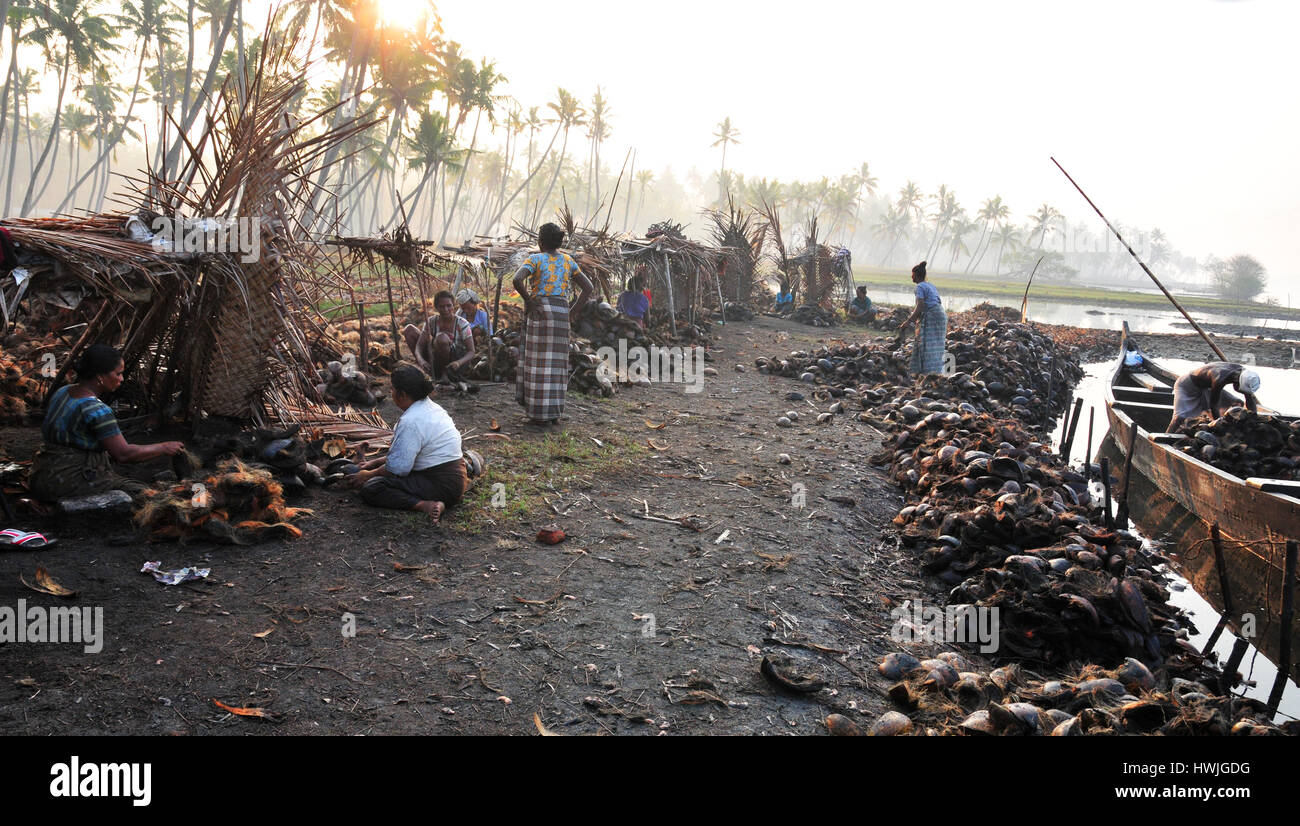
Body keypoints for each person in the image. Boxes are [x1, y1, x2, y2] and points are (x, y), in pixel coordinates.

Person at [29, 344, 184, 501]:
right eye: (118, 374)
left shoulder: (63, 392)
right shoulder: (96, 410)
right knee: (145, 495)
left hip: (41, 473)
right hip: (64, 482)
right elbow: (124, 454)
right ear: (100, 377)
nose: (122, 379)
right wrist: (164, 447)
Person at [344, 365, 466, 523]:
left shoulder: (411, 421)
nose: (391, 393)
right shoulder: (432, 408)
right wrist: (372, 463)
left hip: (441, 486)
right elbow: (406, 456)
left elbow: (397, 469)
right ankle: (435, 501)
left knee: (372, 488)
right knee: (379, 475)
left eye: (393, 389)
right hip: (456, 481)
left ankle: (425, 505)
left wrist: (368, 475)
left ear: (402, 394)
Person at [511, 222, 594, 425]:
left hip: (540, 311)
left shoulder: (535, 259)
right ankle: (553, 412)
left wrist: (529, 301)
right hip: (560, 314)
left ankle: (537, 413)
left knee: (537, 363)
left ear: (540, 242)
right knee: (556, 364)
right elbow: (588, 287)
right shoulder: (568, 261)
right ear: (558, 243)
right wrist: (571, 313)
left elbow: (517, 280)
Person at [403, 290, 475, 380]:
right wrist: (421, 360)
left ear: (453, 305)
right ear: (436, 307)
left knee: (442, 338)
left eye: (448, 305)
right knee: (409, 330)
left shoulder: (462, 324)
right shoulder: (432, 321)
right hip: (436, 359)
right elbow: (419, 346)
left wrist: (458, 363)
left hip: (454, 364)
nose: (445, 309)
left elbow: (471, 352)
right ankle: (428, 370)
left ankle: (445, 375)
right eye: (442, 306)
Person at [1169, 362, 1260, 430]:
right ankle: (1165, 437)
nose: (1241, 391)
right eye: (1241, 389)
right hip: (1187, 385)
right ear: (1237, 381)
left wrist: (1254, 418)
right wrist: (1218, 424)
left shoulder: (1245, 375)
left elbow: (1248, 398)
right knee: (1180, 417)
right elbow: (1213, 405)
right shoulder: (1219, 378)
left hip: (1206, 386)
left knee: (1238, 403)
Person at [899, 261, 947, 375]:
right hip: (941, 315)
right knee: (936, 344)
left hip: (932, 316)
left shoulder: (920, 286)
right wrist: (914, 321)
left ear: (916, 275)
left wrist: (908, 321)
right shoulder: (930, 285)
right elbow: (936, 302)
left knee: (926, 343)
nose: (911, 277)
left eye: (912, 275)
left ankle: (927, 372)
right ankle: (935, 370)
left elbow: (920, 305)